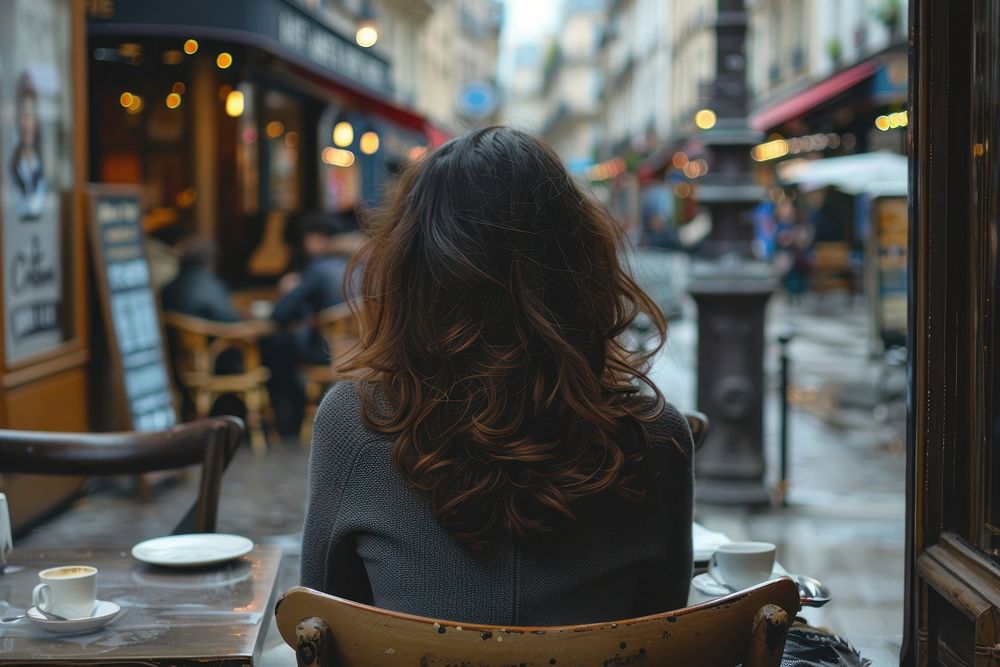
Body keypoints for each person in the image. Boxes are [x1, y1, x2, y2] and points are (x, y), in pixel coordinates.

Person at [301, 127, 694, 626]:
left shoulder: (355, 423)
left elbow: (321, 627)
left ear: (411, 269)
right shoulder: (658, 438)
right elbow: (662, 629)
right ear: (581, 265)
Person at [9, 73, 46, 220]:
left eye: (31, 115)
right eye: (23, 115)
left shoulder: (43, 166)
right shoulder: (11, 166)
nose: (27, 124)